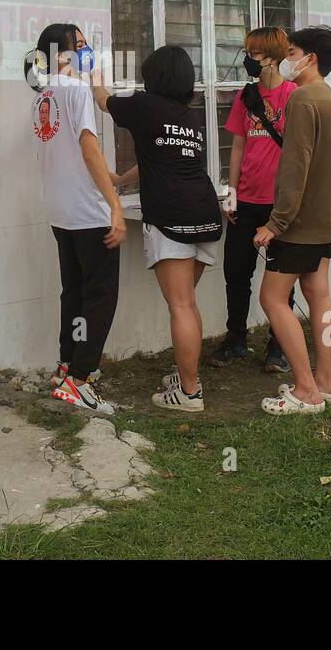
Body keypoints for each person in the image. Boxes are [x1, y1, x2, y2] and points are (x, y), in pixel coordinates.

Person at [94, 45, 223, 412]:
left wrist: (92, 74)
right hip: (204, 211)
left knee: (180, 305)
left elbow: (104, 101)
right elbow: (161, 157)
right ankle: (187, 375)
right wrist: (121, 179)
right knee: (187, 304)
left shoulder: (143, 106)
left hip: (172, 214)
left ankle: (189, 392)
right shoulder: (188, 115)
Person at [27, 23, 126, 416]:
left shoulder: (41, 94)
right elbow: (89, 149)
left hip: (59, 210)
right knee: (100, 296)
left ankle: (67, 366)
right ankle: (81, 381)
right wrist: (114, 204)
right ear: (63, 53)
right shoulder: (77, 90)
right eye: (81, 46)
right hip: (87, 212)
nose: (88, 52)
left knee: (75, 291)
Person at [253, 26, 331, 416]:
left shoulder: (304, 99)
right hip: (327, 221)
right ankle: (325, 383)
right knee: (319, 295)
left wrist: (275, 224)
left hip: (300, 224)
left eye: (291, 52)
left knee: (271, 298)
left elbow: (294, 170)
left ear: (310, 59)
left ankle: (306, 390)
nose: (285, 59)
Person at [212, 26, 298, 373]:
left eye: (255, 53)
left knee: (280, 279)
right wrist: (230, 195)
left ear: (274, 57)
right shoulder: (245, 97)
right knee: (236, 273)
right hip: (245, 201)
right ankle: (236, 339)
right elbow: (237, 146)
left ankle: (279, 346)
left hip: (279, 205)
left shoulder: (295, 96)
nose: (248, 59)